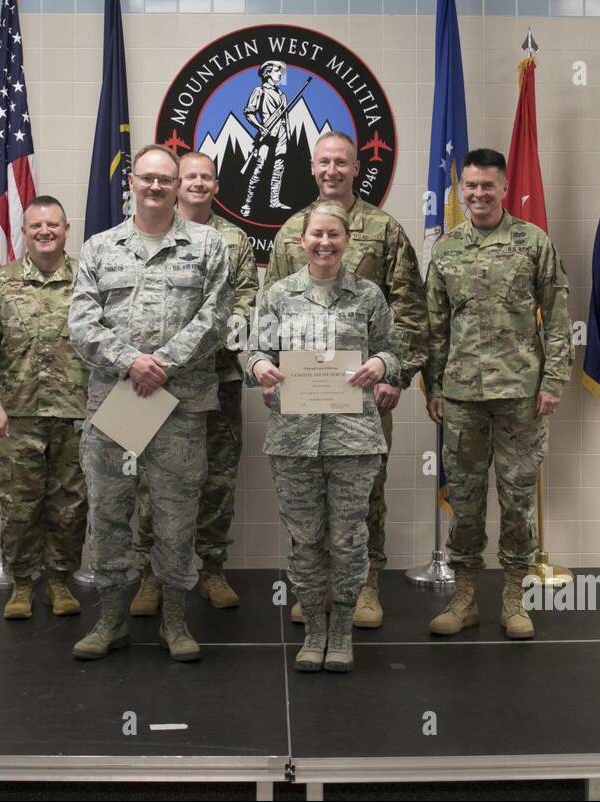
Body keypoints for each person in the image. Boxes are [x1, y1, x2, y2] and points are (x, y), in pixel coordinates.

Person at [68, 144, 231, 662]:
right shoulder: (99, 248)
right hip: (115, 402)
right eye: (148, 178)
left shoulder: (208, 246)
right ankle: (112, 619)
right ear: (132, 183)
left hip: (179, 405)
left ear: (180, 184)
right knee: (109, 512)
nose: (157, 187)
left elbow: (217, 315)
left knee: (177, 513)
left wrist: (162, 362)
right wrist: (130, 362)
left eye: (167, 179)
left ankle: (175, 621)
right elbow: (81, 324)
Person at [264, 131, 427, 627]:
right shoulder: (293, 229)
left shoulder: (384, 229)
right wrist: (266, 368)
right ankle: (314, 588)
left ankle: (365, 585)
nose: (333, 170)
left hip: (362, 394)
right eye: (324, 163)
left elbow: (409, 309)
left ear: (357, 168)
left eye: (342, 163)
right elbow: (269, 306)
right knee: (306, 494)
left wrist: (396, 374)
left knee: (366, 490)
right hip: (301, 400)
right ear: (312, 169)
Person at [423, 149, 572, 639]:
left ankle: (514, 599)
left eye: (488, 186)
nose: (479, 194)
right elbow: (435, 325)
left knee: (518, 499)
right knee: (464, 500)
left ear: (505, 188)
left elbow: (556, 316)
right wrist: (435, 386)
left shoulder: (533, 243)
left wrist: (551, 383)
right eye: (470, 186)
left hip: (520, 396)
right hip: (462, 396)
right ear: (460, 189)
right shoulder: (446, 250)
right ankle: (464, 597)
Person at [249, 200, 399, 673]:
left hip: (353, 439)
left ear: (348, 240)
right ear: (302, 240)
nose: (325, 243)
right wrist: (260, 368)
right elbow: (253, 349)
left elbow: (394, 350)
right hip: (293, 439)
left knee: (351, 540)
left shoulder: (369, 296)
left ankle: (342, 633)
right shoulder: (276, 295)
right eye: (317, 234)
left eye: (334, 234)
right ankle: (314, 627)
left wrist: (382, 365)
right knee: (306, 540)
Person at [130, 151, 259, 612]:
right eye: (190, 176)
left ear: (216, 185)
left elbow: (245, 301)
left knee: (217, 477)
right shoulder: (147, 233)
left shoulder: (234, 240)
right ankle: (151, 574)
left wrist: (205, 341)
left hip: (218, 376)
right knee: (151, 480)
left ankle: (212, 568)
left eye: (207, 177)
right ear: (175, 182)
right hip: (154, 380)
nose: (198, 183)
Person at [0, 196, 89, 620]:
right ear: (24, 231)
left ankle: (58, 581)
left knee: (70, 505)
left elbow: (107, 344)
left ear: (66, 228)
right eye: (36, 225)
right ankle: (21, 583)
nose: (45, 232)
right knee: (20, 504)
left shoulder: (89, 283)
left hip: (77, 414)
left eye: (53, 224)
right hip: (17, 415)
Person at [240, 60, 290, 218]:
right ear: (267, 73)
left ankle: (274, 201)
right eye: (276, 70)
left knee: (278, 168)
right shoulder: (259, 91)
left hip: (281, 134)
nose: (280, 74)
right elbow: (249, 112)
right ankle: (247, 203)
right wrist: (261, 128)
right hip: (266, 135)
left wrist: (287, 134)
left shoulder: (282, 95)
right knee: (259, 168)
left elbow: (286, 118)